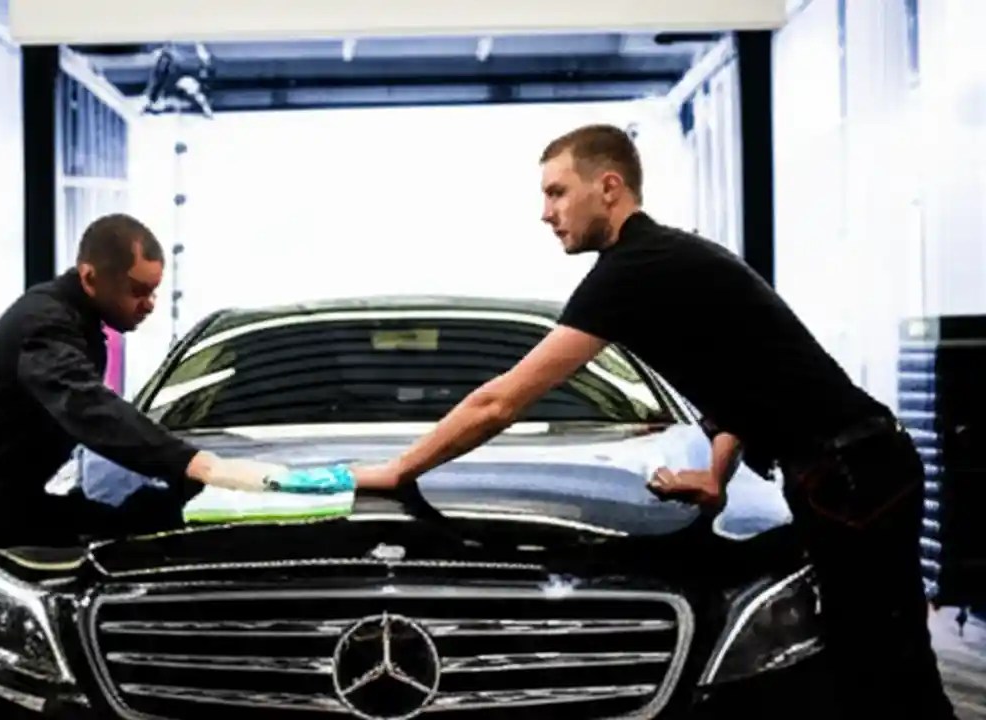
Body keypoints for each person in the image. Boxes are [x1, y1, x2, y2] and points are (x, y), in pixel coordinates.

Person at [346, 124, 957, 718]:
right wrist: (715, 476)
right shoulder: (668, 256)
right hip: (853, 467)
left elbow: (501, 402)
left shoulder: (633, 270)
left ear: (608, 187)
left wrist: (400, 469)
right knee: (880, 662)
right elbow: (741, 380)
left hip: (850, 475)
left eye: (556, 191)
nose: (544, 212)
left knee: (879, 668)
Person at [0, 213, 288, 720]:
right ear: (91, 277)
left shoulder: (82, 323)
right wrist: (199, 464)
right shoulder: (42, 322)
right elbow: (87, 407)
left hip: (3, 503)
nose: (149, 305)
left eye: (155, 291)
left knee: (124, 519)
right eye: (138, 291)